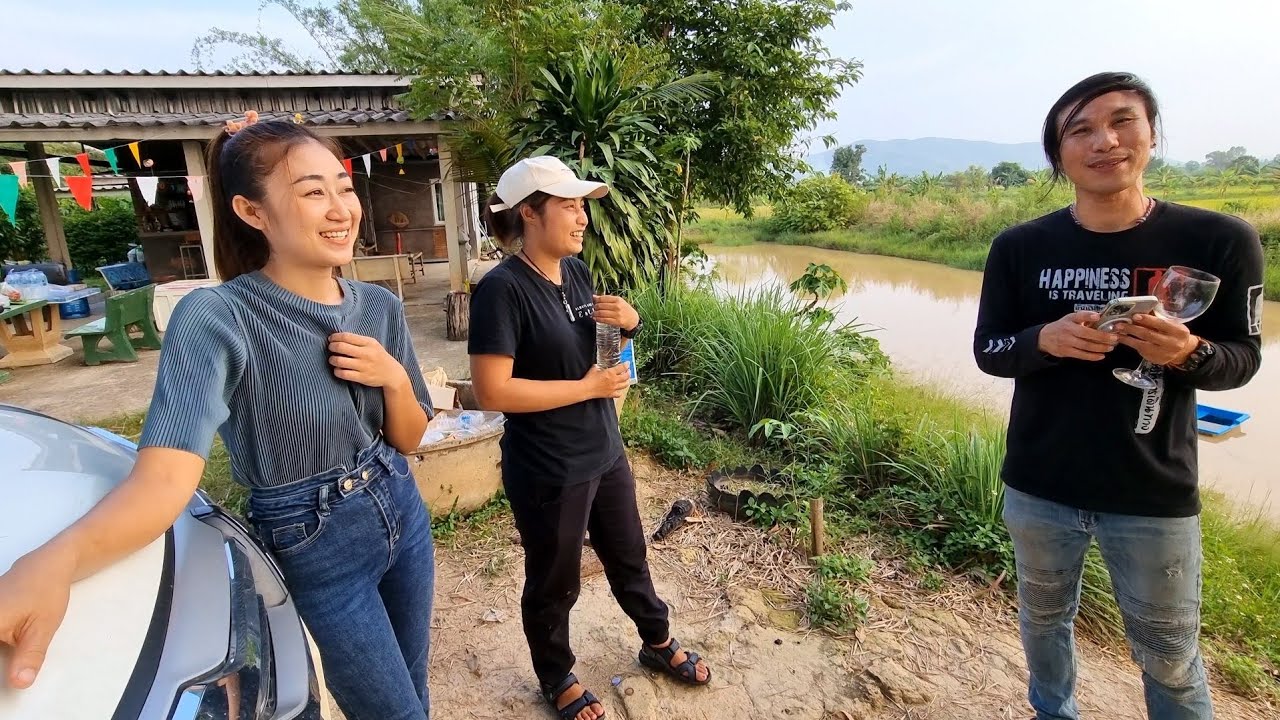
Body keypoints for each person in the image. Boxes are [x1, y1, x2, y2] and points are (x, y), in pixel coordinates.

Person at [0, 115, 438, 720]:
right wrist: (52, 561)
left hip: (401, 509)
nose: (341, 208)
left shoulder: (380, 307)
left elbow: (411, 438)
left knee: (415, 687)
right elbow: (163, 479)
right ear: (252, 212)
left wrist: (392, 377)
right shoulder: (217, 318)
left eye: (343, 186)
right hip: (315, 541)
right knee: (394, 713)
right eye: (313, 192)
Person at [974, 72, 1264, 720]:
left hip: (1152, 494)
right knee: (1043, 624)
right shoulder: (1020, 247)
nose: (1103, 141)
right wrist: (1042, 341)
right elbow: (989, 350)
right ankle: (1054, 712)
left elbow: (1242, 362)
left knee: (1169, 655)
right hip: (1039, 486)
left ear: (1152, 135)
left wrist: (1187, 352)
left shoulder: (1219, 241)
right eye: (1080, 129)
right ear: (1058, 155)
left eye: (1122, 120)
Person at [468, 155, 712, 720]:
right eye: (569, 205)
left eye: (583, 206)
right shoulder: (501, 291)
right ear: (529, 213)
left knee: (631, 557)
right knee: (555, 581)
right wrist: (585, 386)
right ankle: (556, 676)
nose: (582, 218)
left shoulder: (575, 272)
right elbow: (492, 392)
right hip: (548, 467)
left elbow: (604, 359)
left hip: (603, 450)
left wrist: (629, 325)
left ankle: (657, 642)